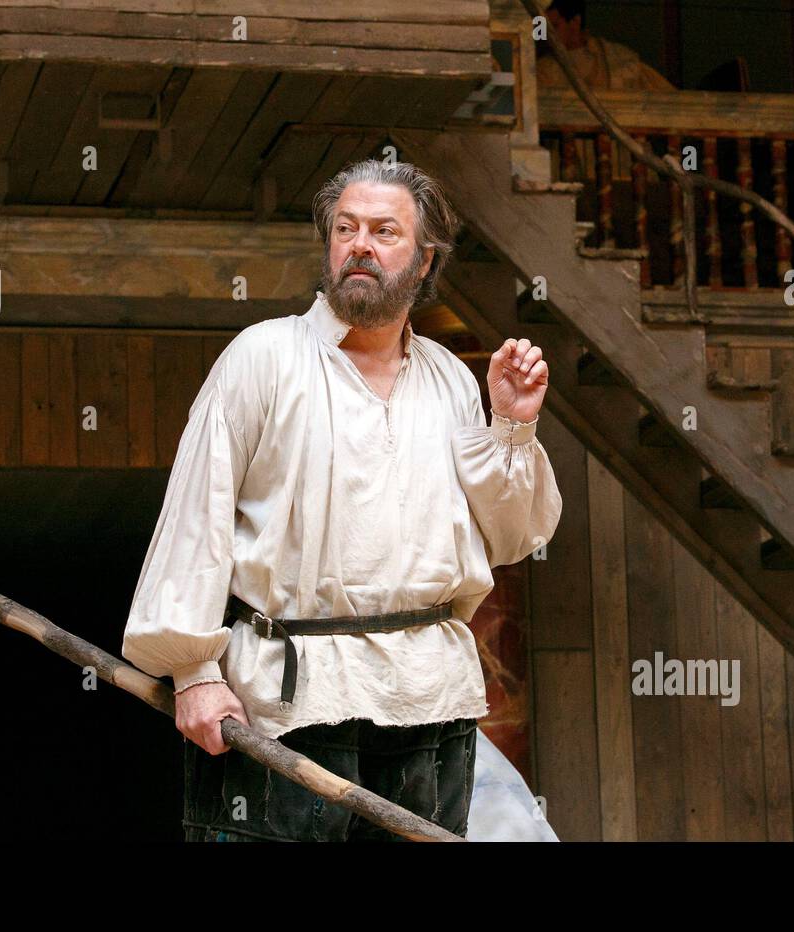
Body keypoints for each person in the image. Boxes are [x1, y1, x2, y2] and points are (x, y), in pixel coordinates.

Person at [121, 158, 564, 842]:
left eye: (385, 231)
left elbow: (510, 536)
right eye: (345, 228)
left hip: (426, 702)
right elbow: (194, 518)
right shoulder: (262, 358)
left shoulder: (449, 378)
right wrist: (194, 672)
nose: (360, 244)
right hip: (286, 701)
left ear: (422, 262)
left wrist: (511, 425)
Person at [536, 0, 675, 91]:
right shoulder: (541, 68)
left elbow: (666, 97)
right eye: (541, 27)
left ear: (574, 22)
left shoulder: (618, 58)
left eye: (554, 26)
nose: (546, 34)